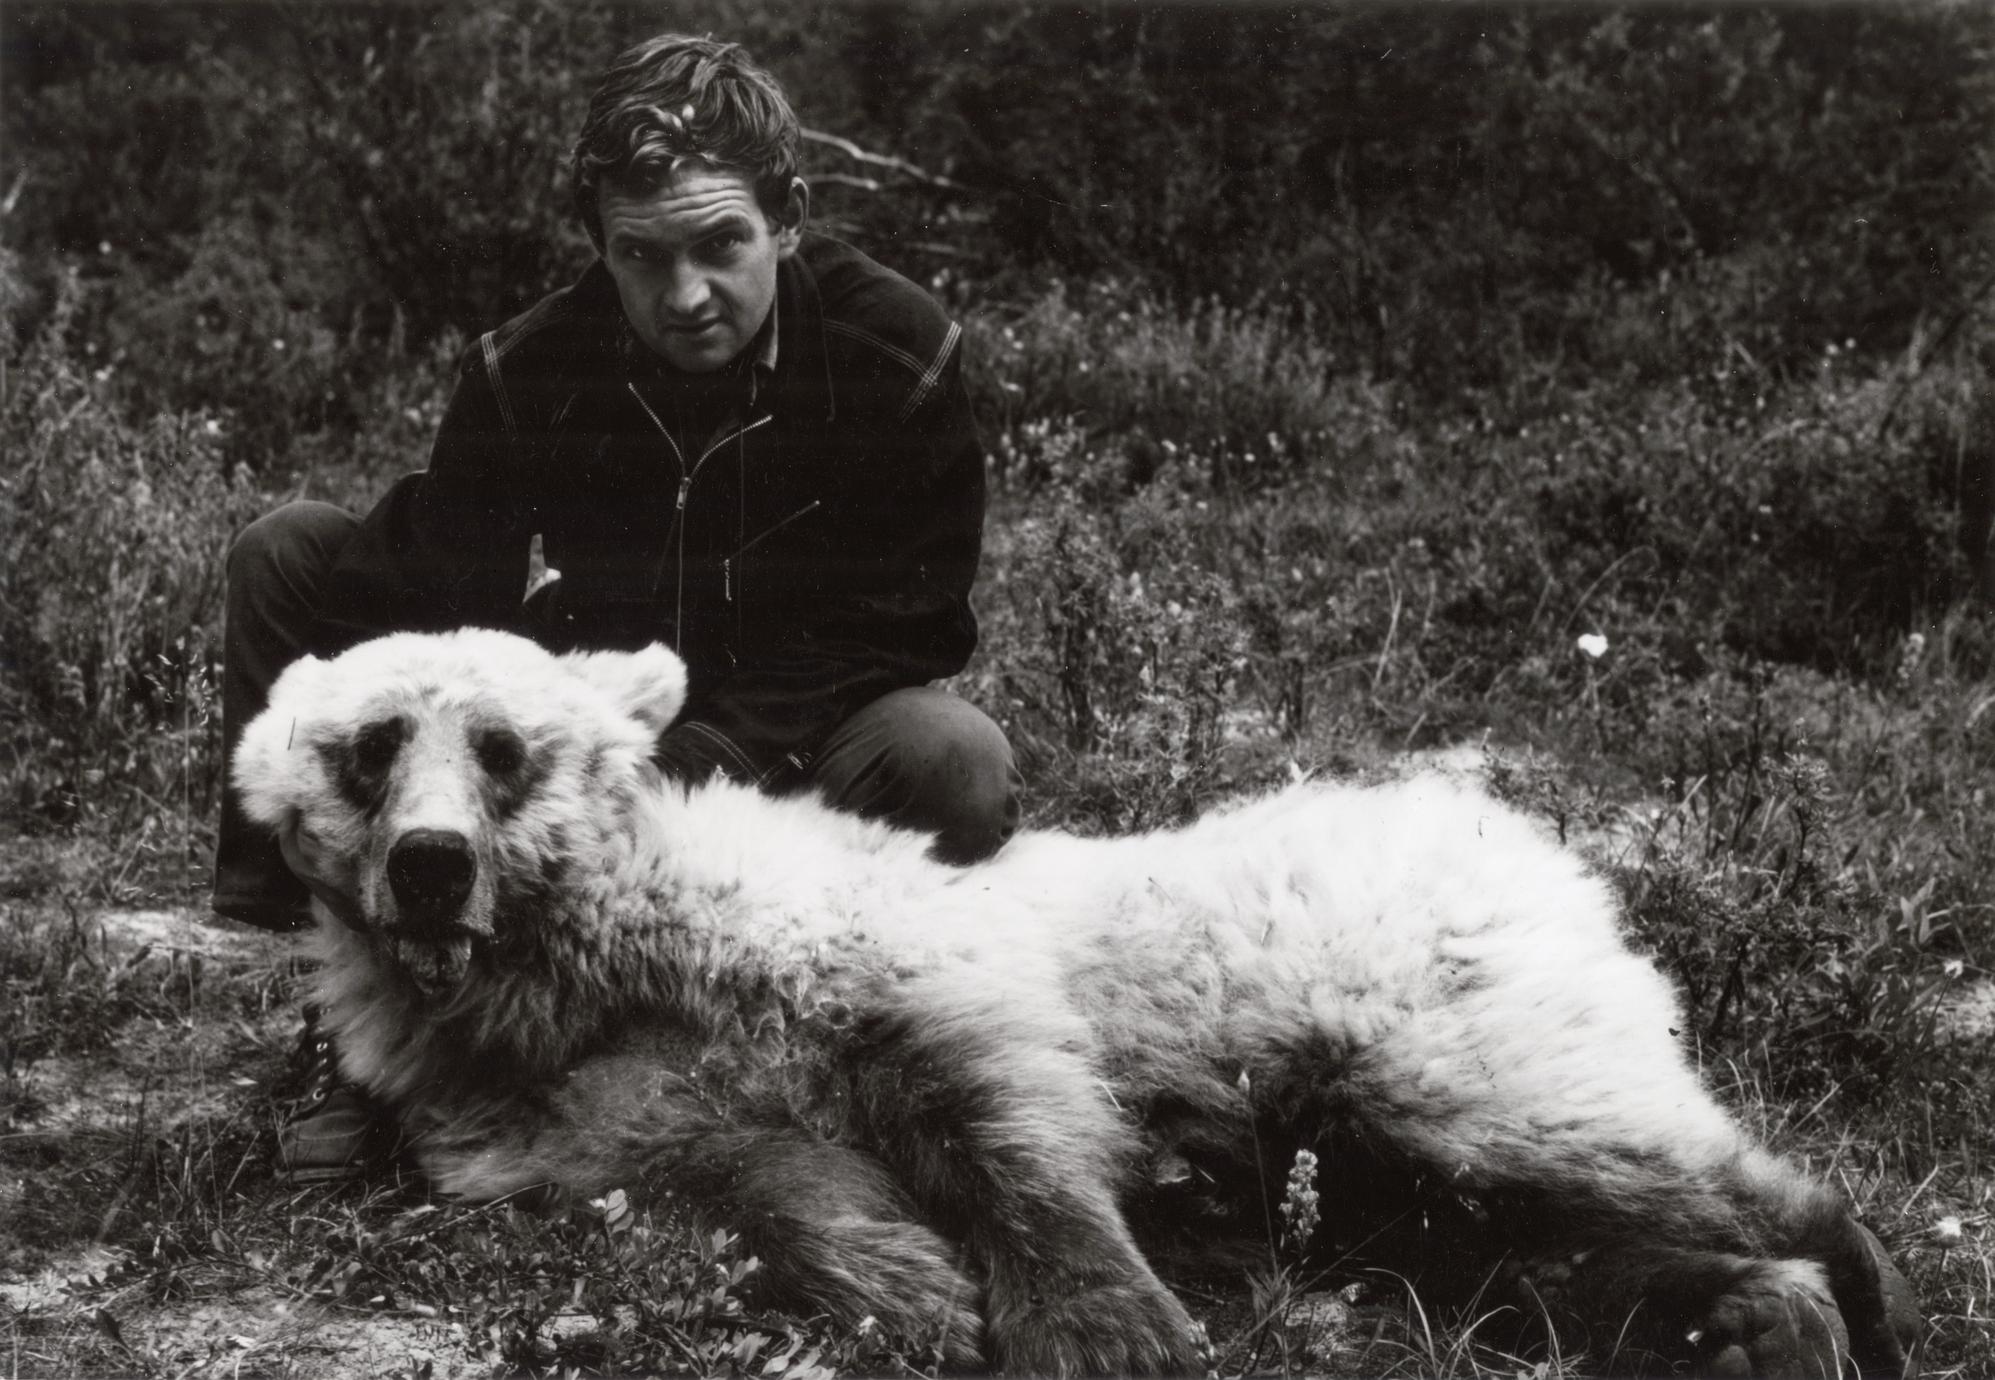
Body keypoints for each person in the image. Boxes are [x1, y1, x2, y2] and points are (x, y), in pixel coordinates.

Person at [211, 33, 1019, 1184]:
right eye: (641, 255)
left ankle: (911, 1041)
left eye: (721, 244)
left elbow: (910, 620)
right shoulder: (528, 369)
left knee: (953, 757)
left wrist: (700, 751)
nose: (686, 296)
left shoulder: (900, 357)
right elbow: (451, 602)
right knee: (287, 552)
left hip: (797, 727)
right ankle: (342, 1020)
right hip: (580, 738)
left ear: (787, 216)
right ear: (598, 243)